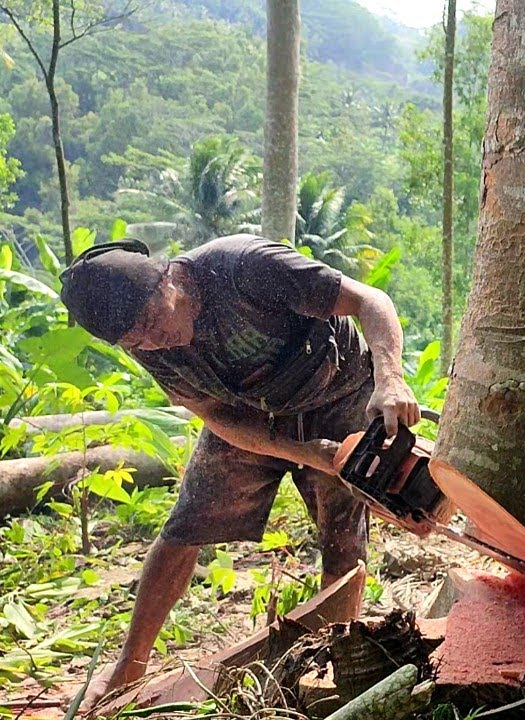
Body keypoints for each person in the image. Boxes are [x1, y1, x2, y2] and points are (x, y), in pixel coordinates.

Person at [58, 235, 420, 708]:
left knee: (342, 542)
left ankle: (335, 666)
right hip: (251, 413)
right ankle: (131, 664)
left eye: (150, 320)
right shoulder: (142, 340)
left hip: (340, 393)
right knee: (185, 525)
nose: (151, 340)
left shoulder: (248, 268)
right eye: (133, 339)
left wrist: (390, 378)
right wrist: (297, 450)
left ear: (169, 278)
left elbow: (371, 300)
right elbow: (214, 415)